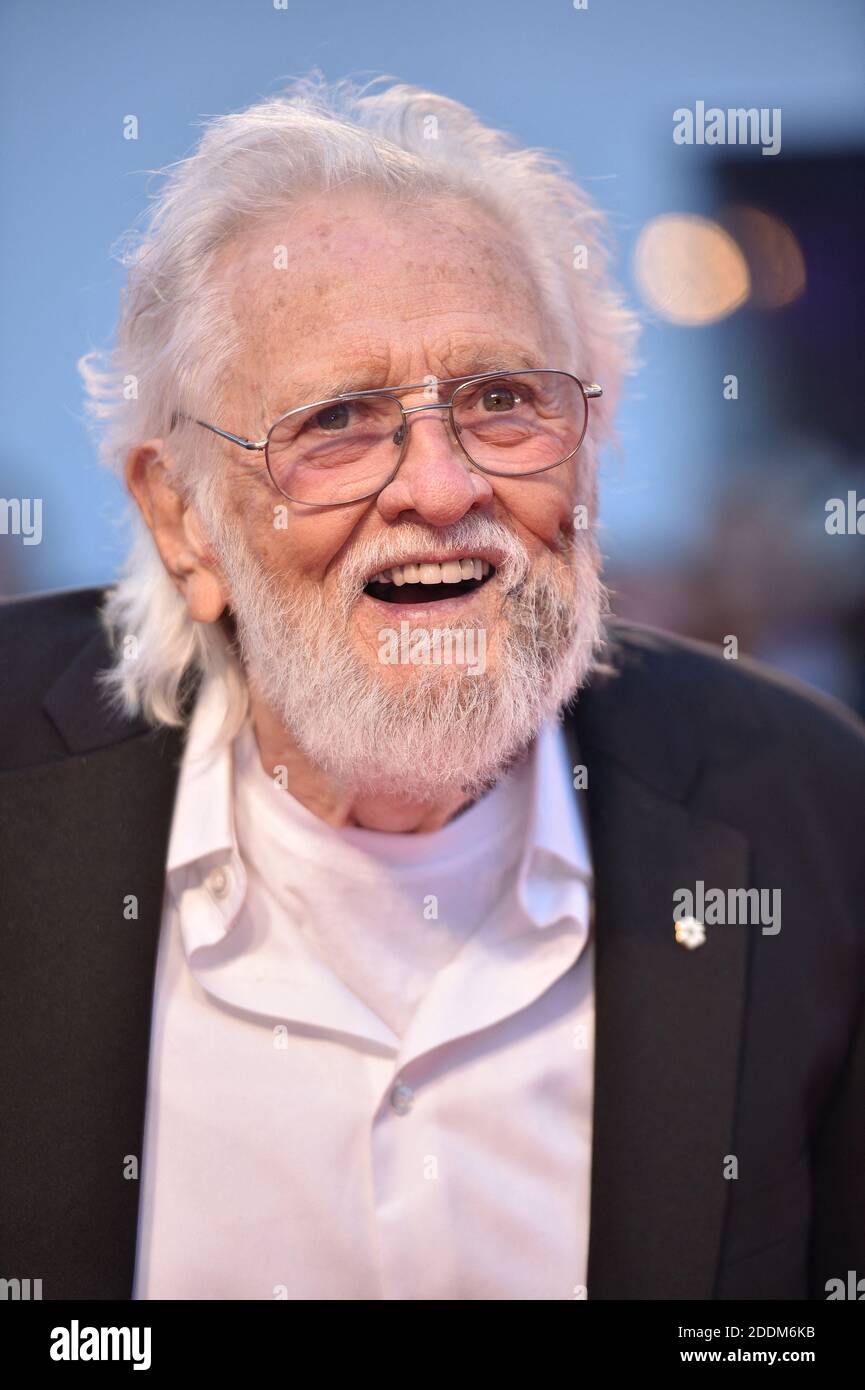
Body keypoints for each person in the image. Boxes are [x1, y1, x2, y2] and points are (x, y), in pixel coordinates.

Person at [1, 75, 863, 1302]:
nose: (443, 488)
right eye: (338, 421)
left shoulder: (806, 812)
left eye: (503, 401)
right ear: (182, 521)